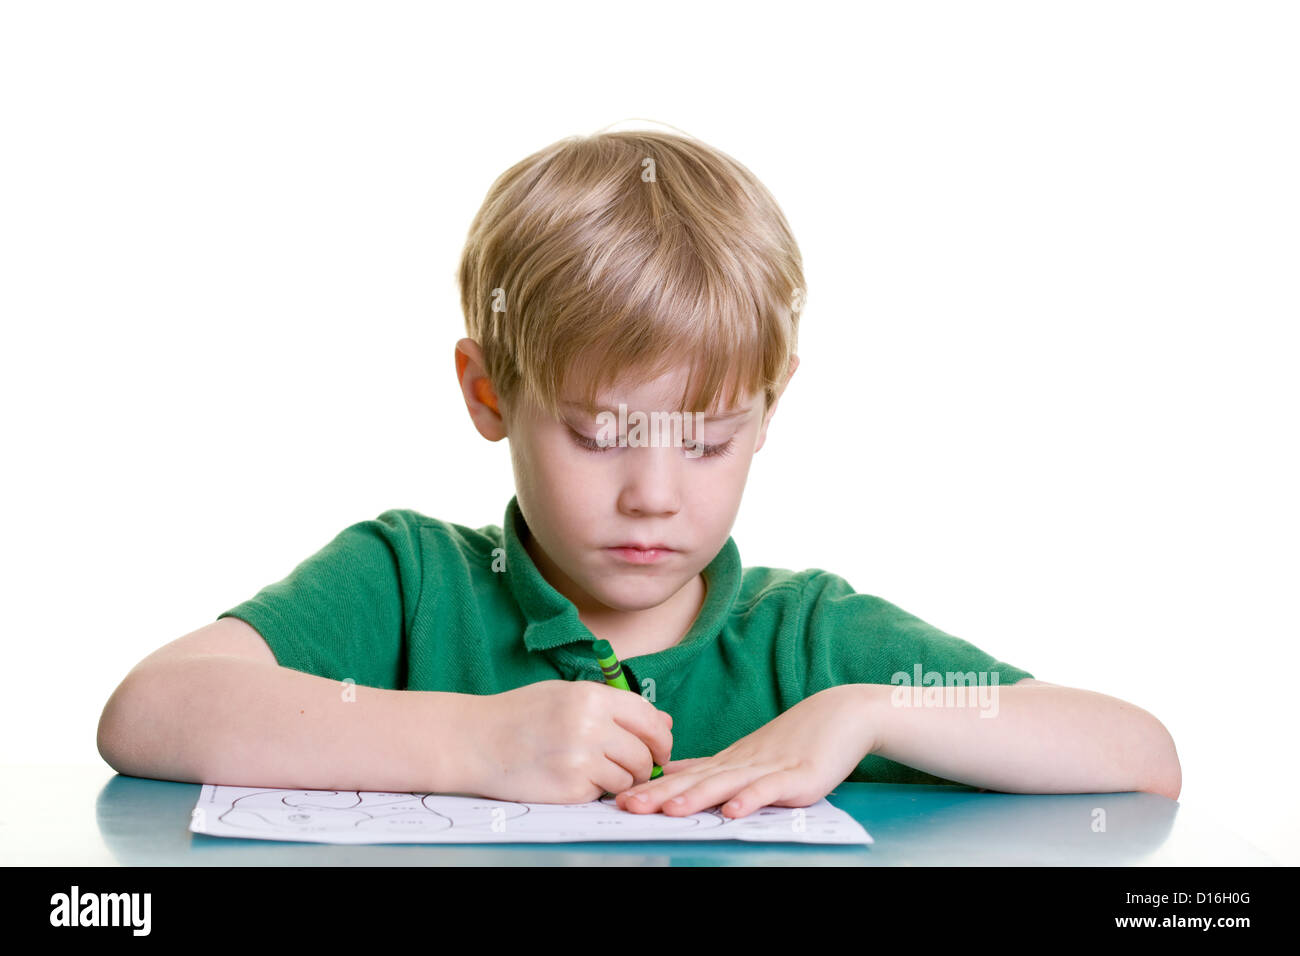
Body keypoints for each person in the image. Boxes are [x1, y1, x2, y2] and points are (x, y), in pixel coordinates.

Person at [97, 128, 1181, 818]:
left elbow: (1137, 754)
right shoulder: (409, 580)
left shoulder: (805, 637)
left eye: (707, 440)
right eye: (600, 434)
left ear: (768, 413)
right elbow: (152, 707)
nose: (656, 492)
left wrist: (861, 711)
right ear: (486, 394)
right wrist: (475, 741)